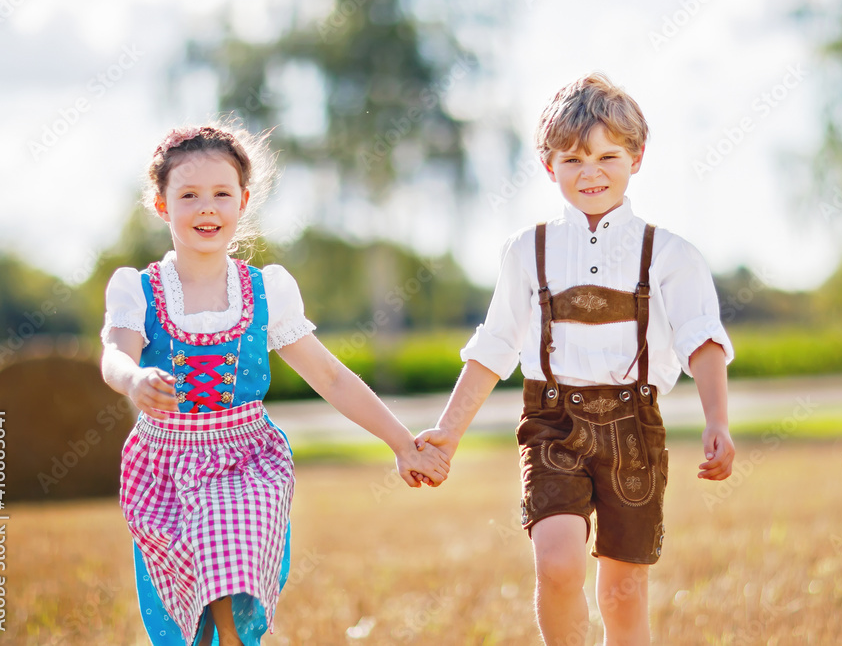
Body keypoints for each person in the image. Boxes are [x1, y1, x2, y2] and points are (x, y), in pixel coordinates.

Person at [100, 122, 449, 646]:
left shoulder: (266, 291)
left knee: (228, 561)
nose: (206, 208)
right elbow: (114, 355)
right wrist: (134, 379)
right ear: (160, 204)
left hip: (245, 458)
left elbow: (330, 375)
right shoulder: (138, 290)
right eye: (188, 195)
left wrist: (402, 443)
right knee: (181, 619)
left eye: (221, 194)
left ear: (243, 201)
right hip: (164, 462)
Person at [416, 73, 735, 645]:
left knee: (622, 592)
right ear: (548, 166)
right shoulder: (526, 250)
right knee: (558, 564)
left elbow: (702, 340)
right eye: (573, 159)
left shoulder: (669, 253)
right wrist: (448, 432)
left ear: (637, 158)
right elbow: (494, 347)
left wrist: (718, 421)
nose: (591, 173)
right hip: (553, 424)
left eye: (608, 156)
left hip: (634, 427)